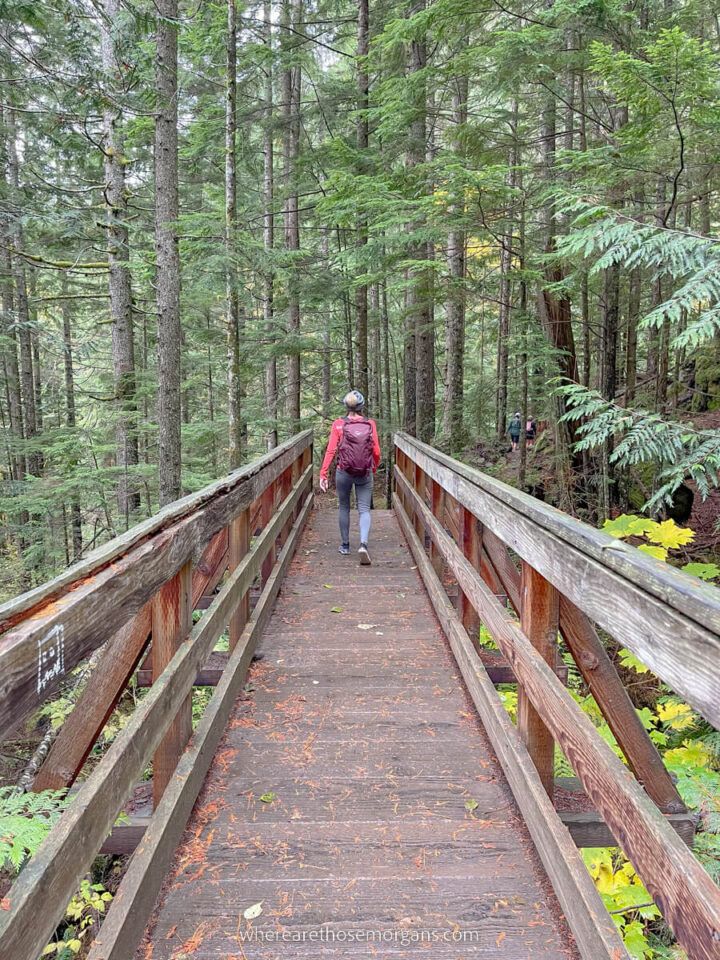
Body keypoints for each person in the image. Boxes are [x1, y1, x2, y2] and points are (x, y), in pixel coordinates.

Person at [319, 390, 381, 564]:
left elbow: (331, 450)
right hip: (364, 472)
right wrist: (373, 466)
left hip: (343, 472)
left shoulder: (339, 424)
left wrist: (323, 473)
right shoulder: (370, 423)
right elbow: (376, 450)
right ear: (362, 406)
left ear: (346, 406)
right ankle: (363, 545)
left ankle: (345, 546)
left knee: (344, 507)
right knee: (364, 509)